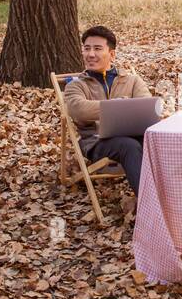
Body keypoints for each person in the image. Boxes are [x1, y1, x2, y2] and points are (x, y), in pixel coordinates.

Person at [62, 25, 151, 196]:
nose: (91, 54)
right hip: (96, 141)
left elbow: (145, 106)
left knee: (156, 141)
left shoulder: (132, 81)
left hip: (133, 135)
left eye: (97, 48)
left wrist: (119, 107)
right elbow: (78, 110)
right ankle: (149, 206)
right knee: (129, 146)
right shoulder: (76, 85)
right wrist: (119, 106)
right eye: (87, 49)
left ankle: (175, 197)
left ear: (111, 54)